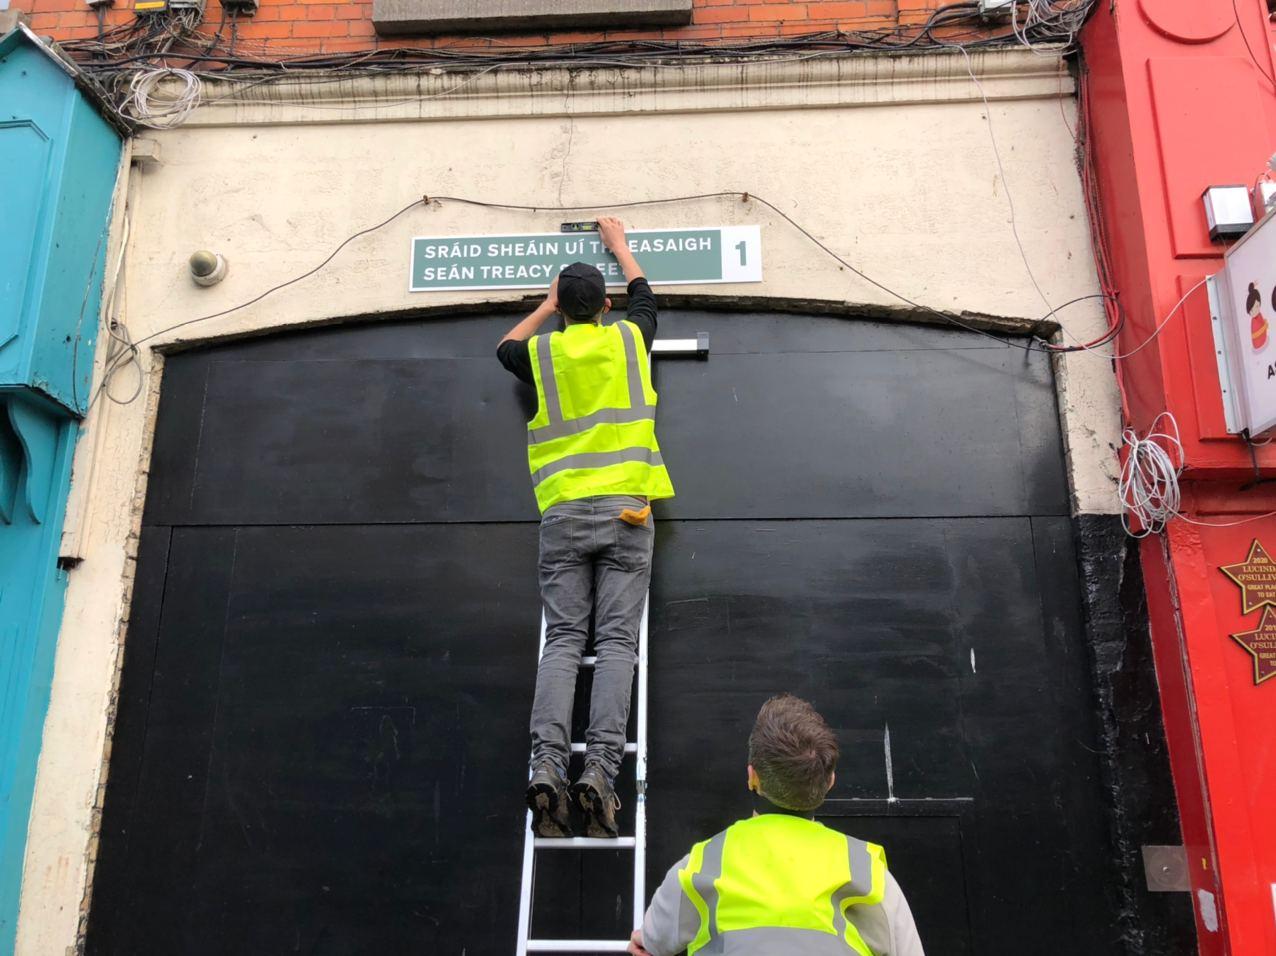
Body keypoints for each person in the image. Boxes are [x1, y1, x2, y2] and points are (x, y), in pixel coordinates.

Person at [497, 216, 674, 839]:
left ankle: (547, 765)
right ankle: (599, 771)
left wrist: (544, 306)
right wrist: (621, 246)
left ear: (561, 309)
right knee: (617, 644)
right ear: (604, 306)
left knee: (565, 640)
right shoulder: (628, 339)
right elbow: (647, 296)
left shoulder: (542, 354)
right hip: (626, 509)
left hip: (564, 513)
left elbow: (503, 347)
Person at [629, 695, 926, 956]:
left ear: (752, 776)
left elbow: (649, 942)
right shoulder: (869, 871)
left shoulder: (702, 863)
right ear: (830, 782)